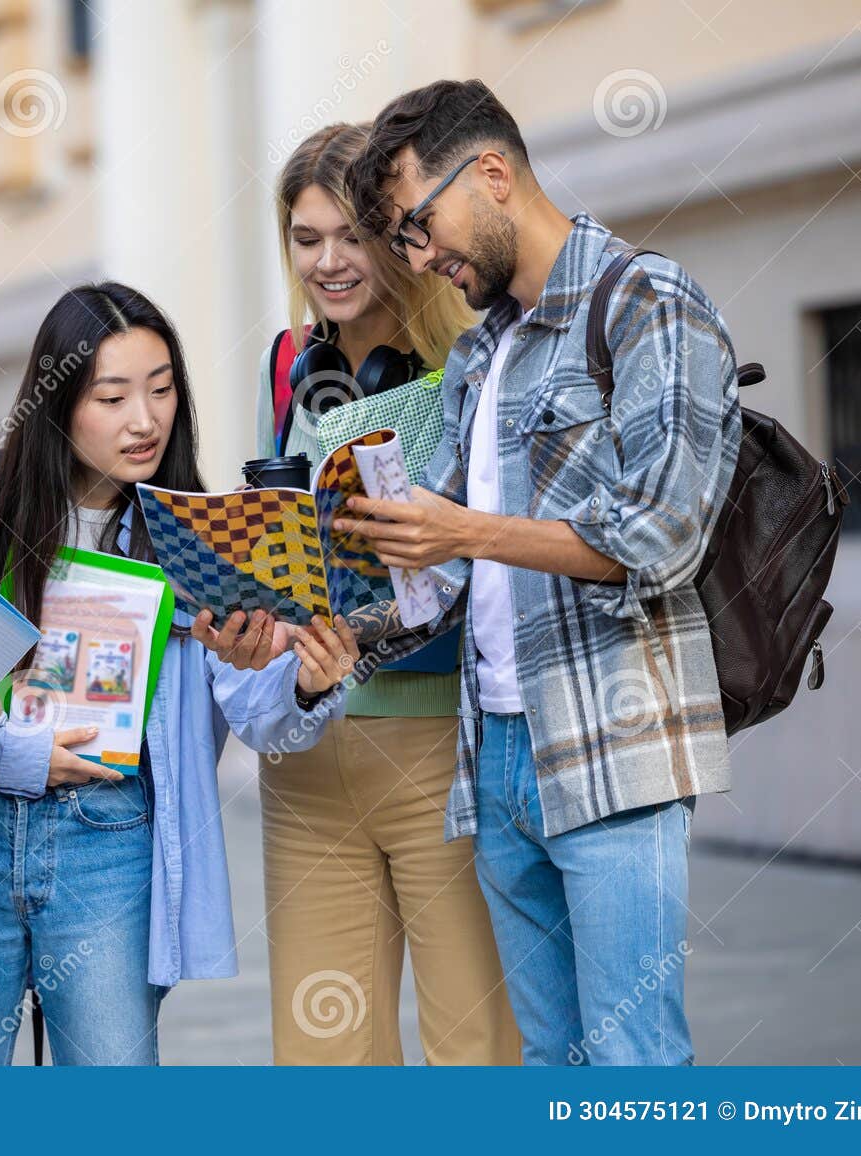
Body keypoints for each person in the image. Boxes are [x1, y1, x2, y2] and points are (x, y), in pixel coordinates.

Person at [333, 79, 742, 1065]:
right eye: (403, 244)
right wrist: (325, 641)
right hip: (497, 757)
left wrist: (464, 528)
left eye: (419, 227)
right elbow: (443, 575)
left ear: (491, 172)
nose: (423, 258)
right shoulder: (482, 356)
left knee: (635, 1064)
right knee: (548, 1075)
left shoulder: (647, 302)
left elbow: (662, 533)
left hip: (611, 748)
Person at [0, 281, 358, 1065]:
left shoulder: (193, 532)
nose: (144, 420)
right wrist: (11, 753)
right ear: (57, 404)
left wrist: (304, 679)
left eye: (161, 389)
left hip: (109, 837)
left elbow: (254, 707)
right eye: (111, 397)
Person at [243, 122, 519, 1065]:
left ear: (399, 235)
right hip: (311, 745)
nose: (329, 261)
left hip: (440, 741)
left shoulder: (472, 362)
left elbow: (491, 558)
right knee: (323, 1053)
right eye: (306, 237)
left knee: (471, 1043)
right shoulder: (288, 362)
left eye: (352, 235)